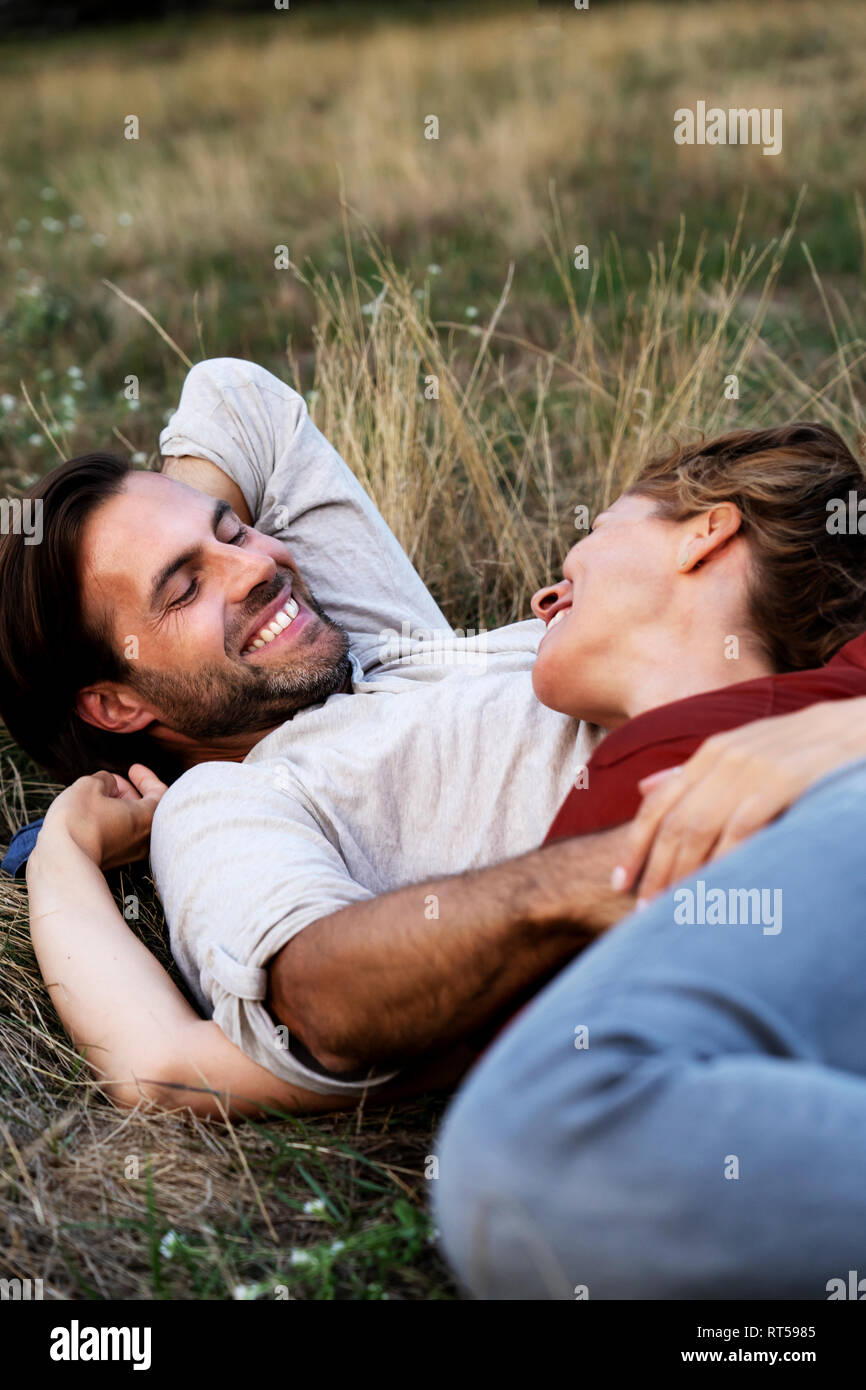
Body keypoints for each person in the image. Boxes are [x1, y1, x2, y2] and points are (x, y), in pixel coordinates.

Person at [3, 358, 864, 1119]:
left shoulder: (386, 646)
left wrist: (172, 549)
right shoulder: (235, 801)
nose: (260, 564)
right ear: (115, 705)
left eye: (231, 529)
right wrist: (64, 857)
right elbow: (316, 997)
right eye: (183, 588)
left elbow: (238, 399)